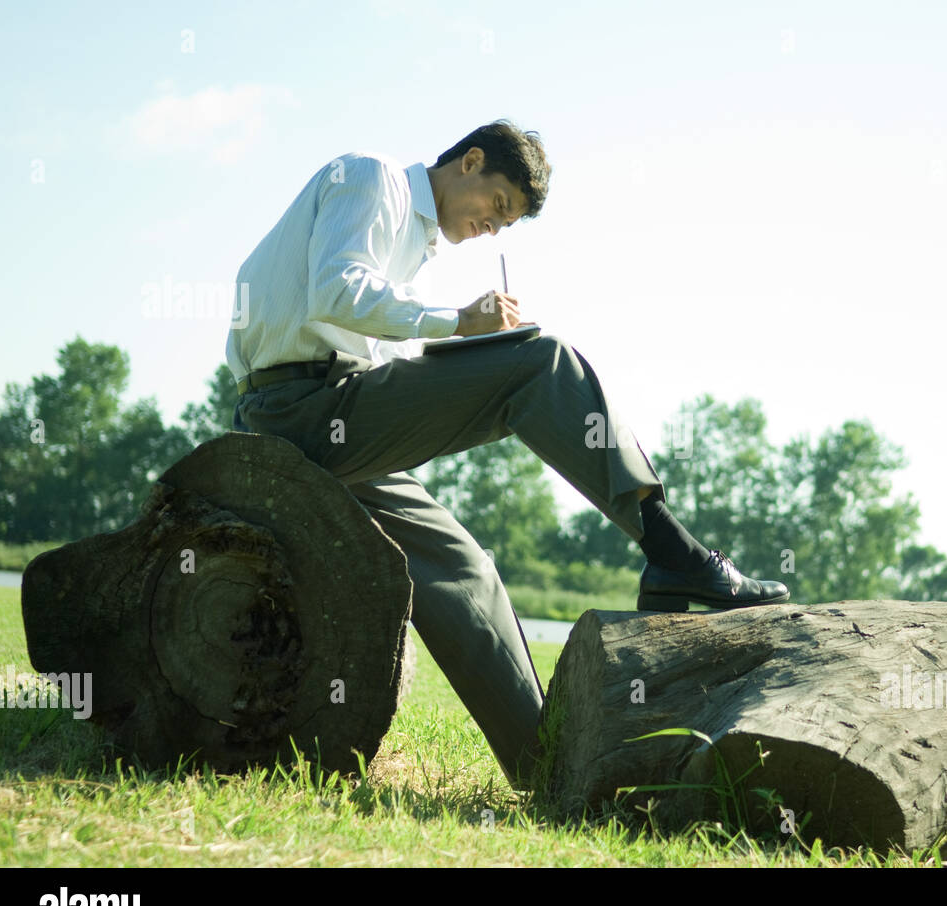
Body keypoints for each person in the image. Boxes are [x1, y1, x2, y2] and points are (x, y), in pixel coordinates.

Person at [225, 119, 789, 790]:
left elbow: (360, 322)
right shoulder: (375, 178)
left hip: (325, 414)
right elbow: (335, 292)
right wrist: (462, 323)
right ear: (470, 162)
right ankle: (672, 551)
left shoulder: (416, 240)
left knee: (465, 570)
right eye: (498, 207)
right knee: (539, 362)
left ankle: (550, 773)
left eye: (507, 224)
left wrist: (456, 343)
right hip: (299, 411)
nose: (493, 228)